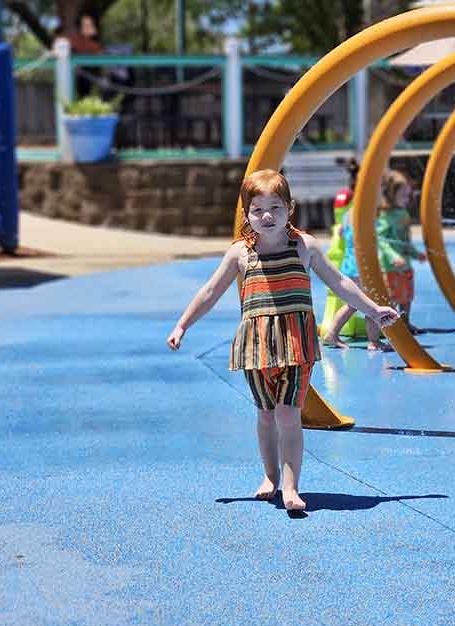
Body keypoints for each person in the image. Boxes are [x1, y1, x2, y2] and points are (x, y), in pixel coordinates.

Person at [166, 169, 399, 512]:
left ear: (290, 208)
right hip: (256, 346)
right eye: (257, 209)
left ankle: (291, 487)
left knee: (288, 414)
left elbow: (339, 282)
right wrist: (182, 325)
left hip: (296, 343)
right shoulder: (240, 254)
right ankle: (270, 476)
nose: (267, 216)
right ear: (246, 214)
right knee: (265, 414)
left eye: (275, 207)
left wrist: (373, 309)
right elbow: (210, 292)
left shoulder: (304, 246)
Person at [320, 205, 392, 351]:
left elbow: (340, 234)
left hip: (349, 265)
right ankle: (374, 341)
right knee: (372, 302)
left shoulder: (348, 214)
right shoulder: (366, 213)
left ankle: (332, 334)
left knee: (353, 304)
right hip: (361, 267)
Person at [377, 170, 427, 331]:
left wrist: (415, 253)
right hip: (391, 266)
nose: (408, 198)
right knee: (391, 297)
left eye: (408, 195)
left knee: (406, 296)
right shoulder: (386, 216)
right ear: (392, 195)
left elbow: (405, 241)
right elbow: (382, 240)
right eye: (404, 195)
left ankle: (405, 322)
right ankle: (391, 326)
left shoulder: (403, 213)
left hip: (404, 264)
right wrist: (393, 257)